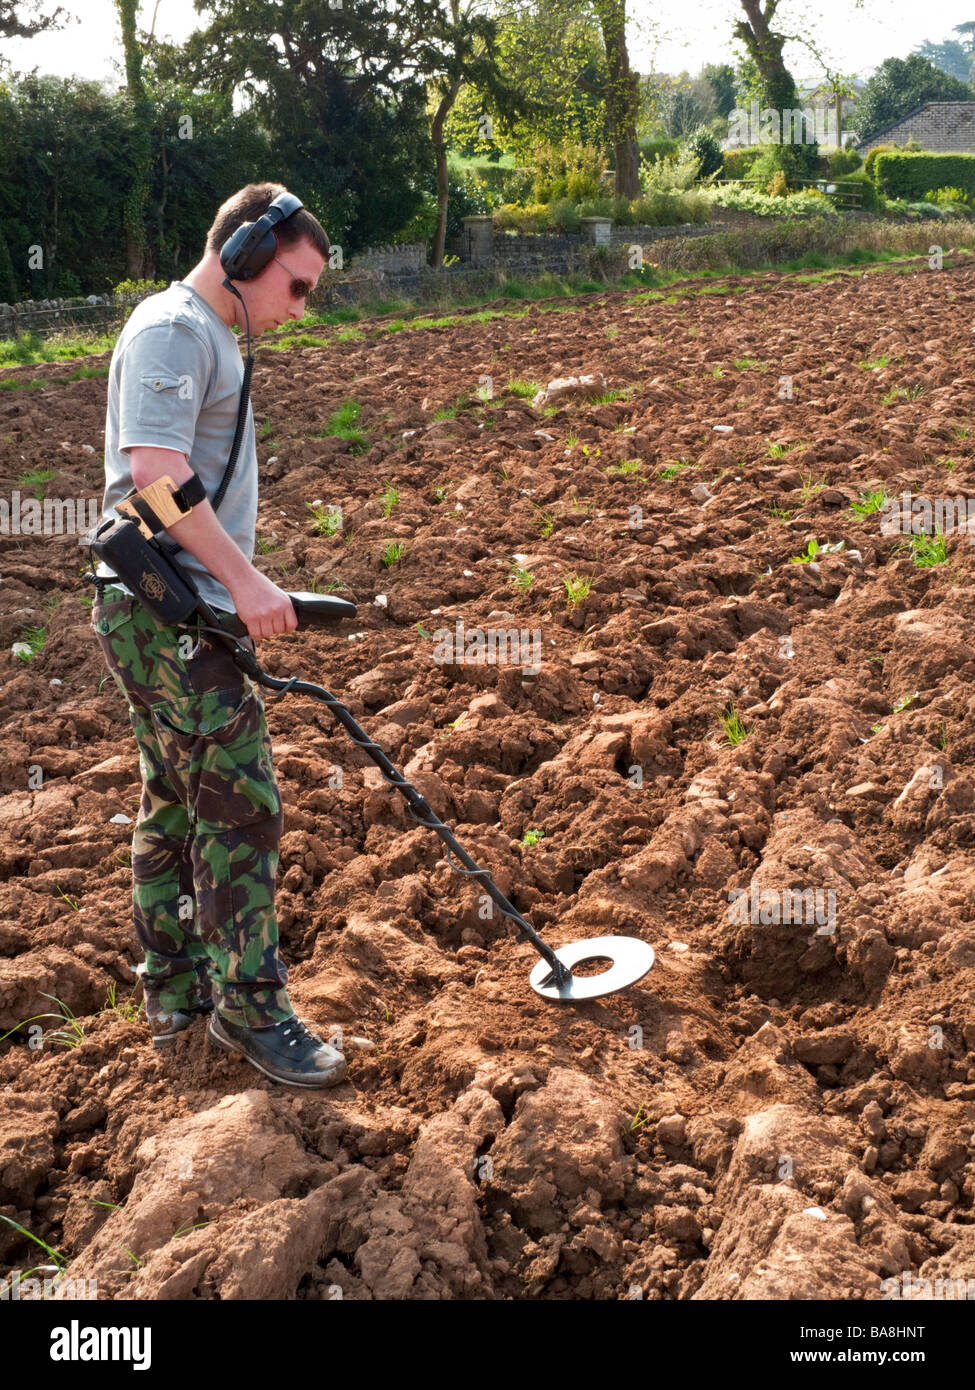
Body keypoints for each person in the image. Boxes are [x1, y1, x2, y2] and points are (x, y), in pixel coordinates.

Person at [89, 182, 347, 1088]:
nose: (299, 306)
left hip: (169, 609)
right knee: (243, 809)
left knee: (174, 800)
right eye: (297, 285)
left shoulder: (209, 337)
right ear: (244, 257)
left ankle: (176, 991)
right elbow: (154, 477)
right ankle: (250, 1011)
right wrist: (244, 583)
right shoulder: (175, 330)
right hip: (166, 614)